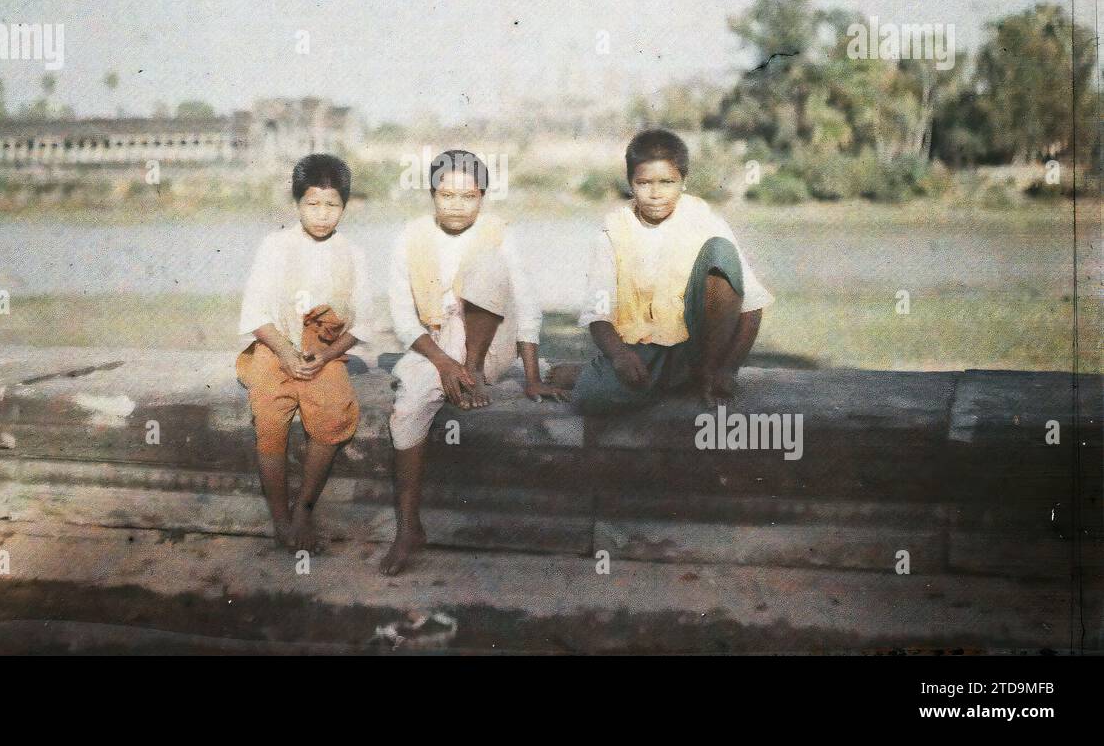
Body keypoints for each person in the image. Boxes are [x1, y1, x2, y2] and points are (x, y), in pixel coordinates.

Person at [381, 149, 563, 575]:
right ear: (432, 194)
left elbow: (527, 304)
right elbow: (403, 318)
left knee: (485, 265)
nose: (458, 205)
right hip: (434, 343)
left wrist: (532, 379)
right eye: (447, 195)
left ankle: (474, 373)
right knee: (408, 405)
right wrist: (444, 363)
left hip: (489, 342)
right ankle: (408, 526)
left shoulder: (499, 233)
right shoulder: (410, 236)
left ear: (482, 196)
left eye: (468, 196)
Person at [569, 129, 772, 413]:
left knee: (720, 251)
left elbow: (752, 307)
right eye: (644, 183)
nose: (655, 194)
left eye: (667, 182)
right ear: (630, 183)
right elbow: (599, 313)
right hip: (645, 346)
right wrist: (619, 356)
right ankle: (661, 380)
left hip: (698, 346)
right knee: (589, 397)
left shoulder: (706, 222)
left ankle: (704, 374)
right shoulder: (613, 232)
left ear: (683, 182)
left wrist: (728, 369)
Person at [235, 154, 372, 554]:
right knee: (270, 418)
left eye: (332, 205)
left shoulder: (353, 254)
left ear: (345, 206)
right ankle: (279, 518)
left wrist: (326, 358)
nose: (322, 215)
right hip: (275, 346)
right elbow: (256, 314)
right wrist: (286, 352)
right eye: (313, 204)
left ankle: (303, 511)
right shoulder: (275, 246)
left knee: (332, 415)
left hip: (325, 354)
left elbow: (362, 324)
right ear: (297, 204)